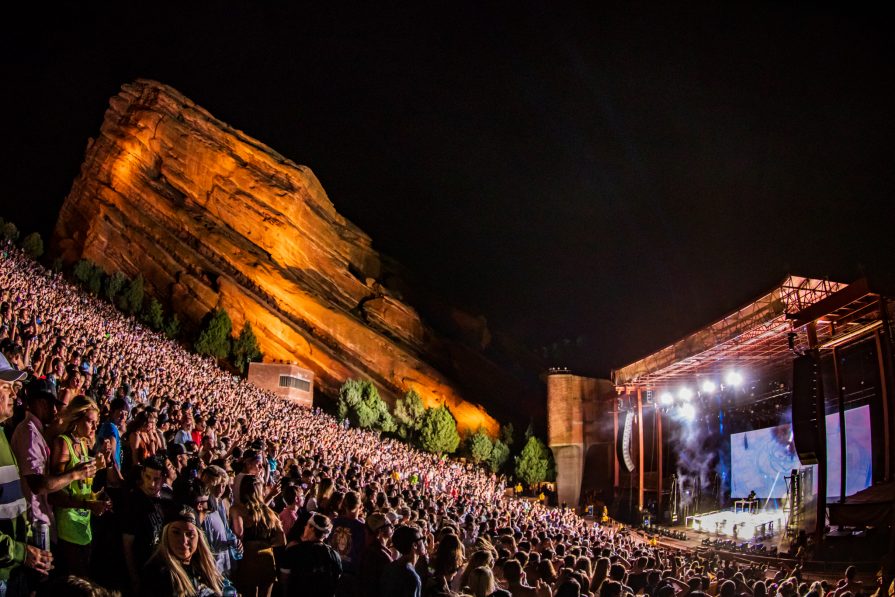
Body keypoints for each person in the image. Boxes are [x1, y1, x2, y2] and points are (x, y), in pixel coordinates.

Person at [12, 378, 94, 536]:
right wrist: (75, 474)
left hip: (40, 518)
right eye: (52, 405)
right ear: (42, 404)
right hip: (34, 522)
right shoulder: (29, 433)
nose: (56, 411)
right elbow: (38, 485)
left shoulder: (36, 431)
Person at [0, 353, 54, 594]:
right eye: (6, 387)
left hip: (12, 567)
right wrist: (22, 553)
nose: (14, 395)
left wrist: (29, 542)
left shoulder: (2, 434)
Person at [48, 395, 111, 577]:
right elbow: (55, 493)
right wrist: (87, 504)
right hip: (67, 528)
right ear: (76, 418)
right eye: (91, 422)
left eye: (96, 423)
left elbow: (81, 486)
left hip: (83, 524)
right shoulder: (63, 443)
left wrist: (97, 498)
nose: (94, 427)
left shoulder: (83, 444)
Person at [140, 506, 225, 597]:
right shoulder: (157, 574)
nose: (183, 541)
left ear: (199, 538)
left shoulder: (202, 567)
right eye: (176, 533)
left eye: (190, 534)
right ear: (166, 535)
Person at [230, 475, 285, 597]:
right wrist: (265, 543)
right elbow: (281, 540)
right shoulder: (270, 513)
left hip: (248, 559)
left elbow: (239, 534)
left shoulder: (237, 510)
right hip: (267, 559)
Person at [122, 456, 170, 594]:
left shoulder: (166, 498)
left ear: (163, 478)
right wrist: (134, 577)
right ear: (142, 474)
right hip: (143, 572)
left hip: (163, 570)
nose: (151, 483)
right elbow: (127, 544)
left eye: (156, 479)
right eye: (148, 477)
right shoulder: (133, 502)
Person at [280, 513, 342, 597]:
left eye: (307, 525)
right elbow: (336, 581)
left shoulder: (293, 551)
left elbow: (284, 580)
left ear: (312, 528)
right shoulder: (334, 555)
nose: (304, 527)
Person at [380, 525, 426, 597]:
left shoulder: (389, 567)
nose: (424, 543)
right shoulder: (412, 578)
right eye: (423, 540)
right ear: (414, 545)